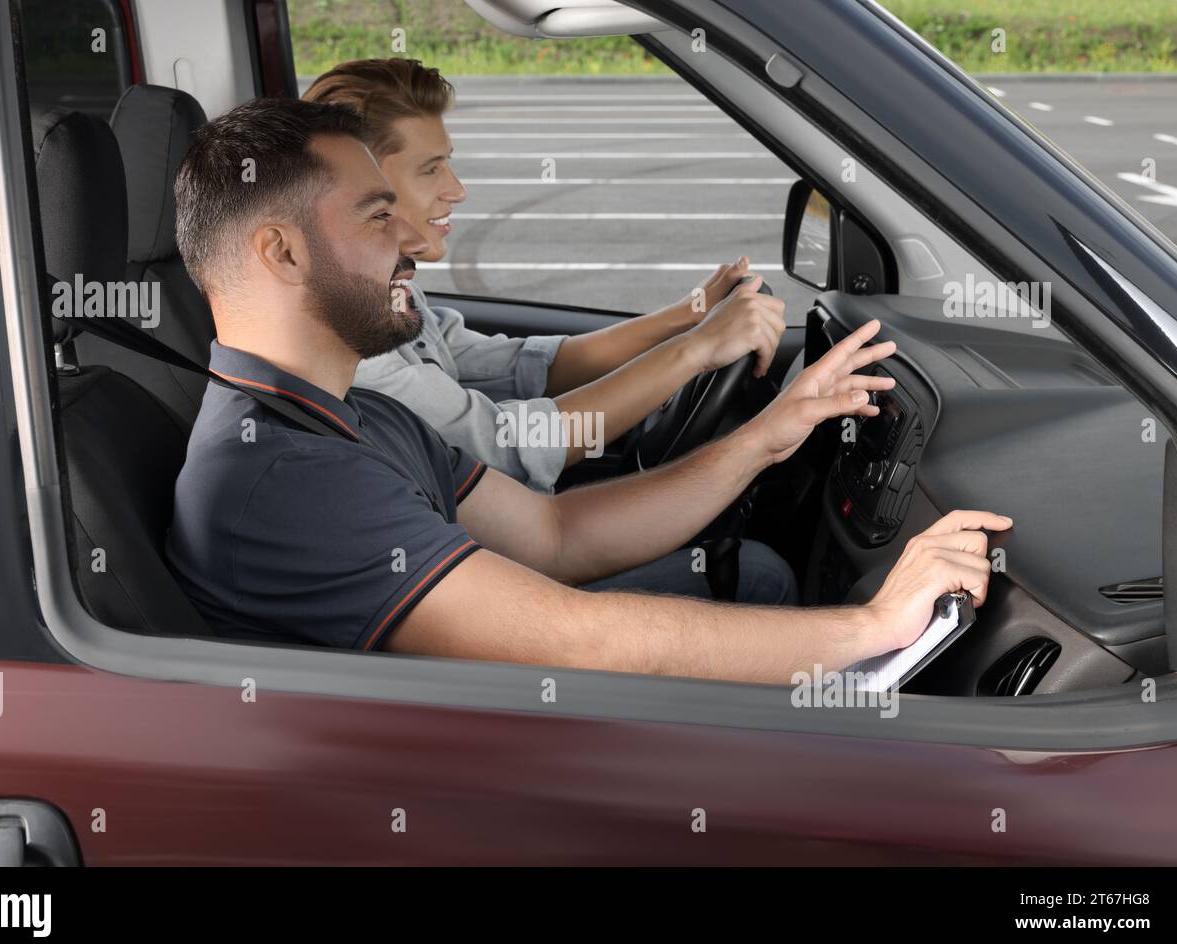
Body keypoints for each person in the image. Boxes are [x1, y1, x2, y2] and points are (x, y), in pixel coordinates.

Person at [165, 96, 1011, 685]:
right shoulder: (281, 476)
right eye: (378, 218)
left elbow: (556, 533)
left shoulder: (356, 413)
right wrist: (873, 627)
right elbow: (578, 639)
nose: (411, 246)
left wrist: (766, 436)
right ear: (282, 253)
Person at [303, 57, 797, 603]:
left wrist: (686, 317)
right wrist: (694, 352)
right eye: (431, 169)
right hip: (469, 575)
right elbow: (506, 446)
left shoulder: (394, 292)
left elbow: (523, 367)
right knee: (759, 575)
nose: (457, 190)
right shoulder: (355, 347)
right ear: (364, 185)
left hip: (491, 541)